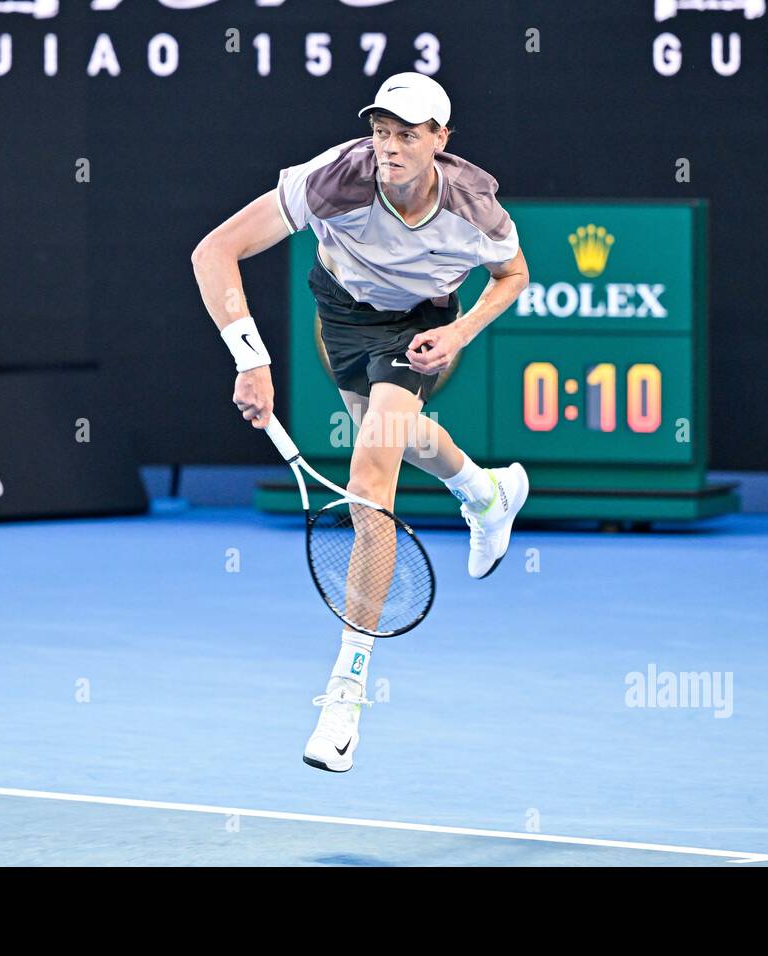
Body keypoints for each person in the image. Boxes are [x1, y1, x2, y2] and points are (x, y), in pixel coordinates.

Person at [191, 72, 531, 772]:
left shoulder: (475, 207)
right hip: (341, 319)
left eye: (408, 134)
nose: (390, 146)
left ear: (441, 140)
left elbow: (512, 276)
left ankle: (345, 693)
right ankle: (485, 492)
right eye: (382, 130)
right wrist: (249, 360)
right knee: (398, 441)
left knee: (370, 480)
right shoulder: (332, 181)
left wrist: (462, 333)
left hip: (419, 330)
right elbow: (213, 251)